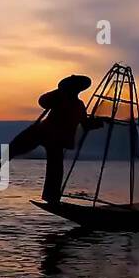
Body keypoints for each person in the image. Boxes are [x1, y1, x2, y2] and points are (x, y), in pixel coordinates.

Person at [9, 74, 104, 203]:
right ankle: (8, 154)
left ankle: (51, 196)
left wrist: (98, 123)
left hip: (57, 139)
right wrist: (58, 92)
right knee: (20, 144)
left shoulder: (78, 105)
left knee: (55, 169)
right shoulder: (59, 97)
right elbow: (43, 101)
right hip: (43, 132)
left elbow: (85, 124)